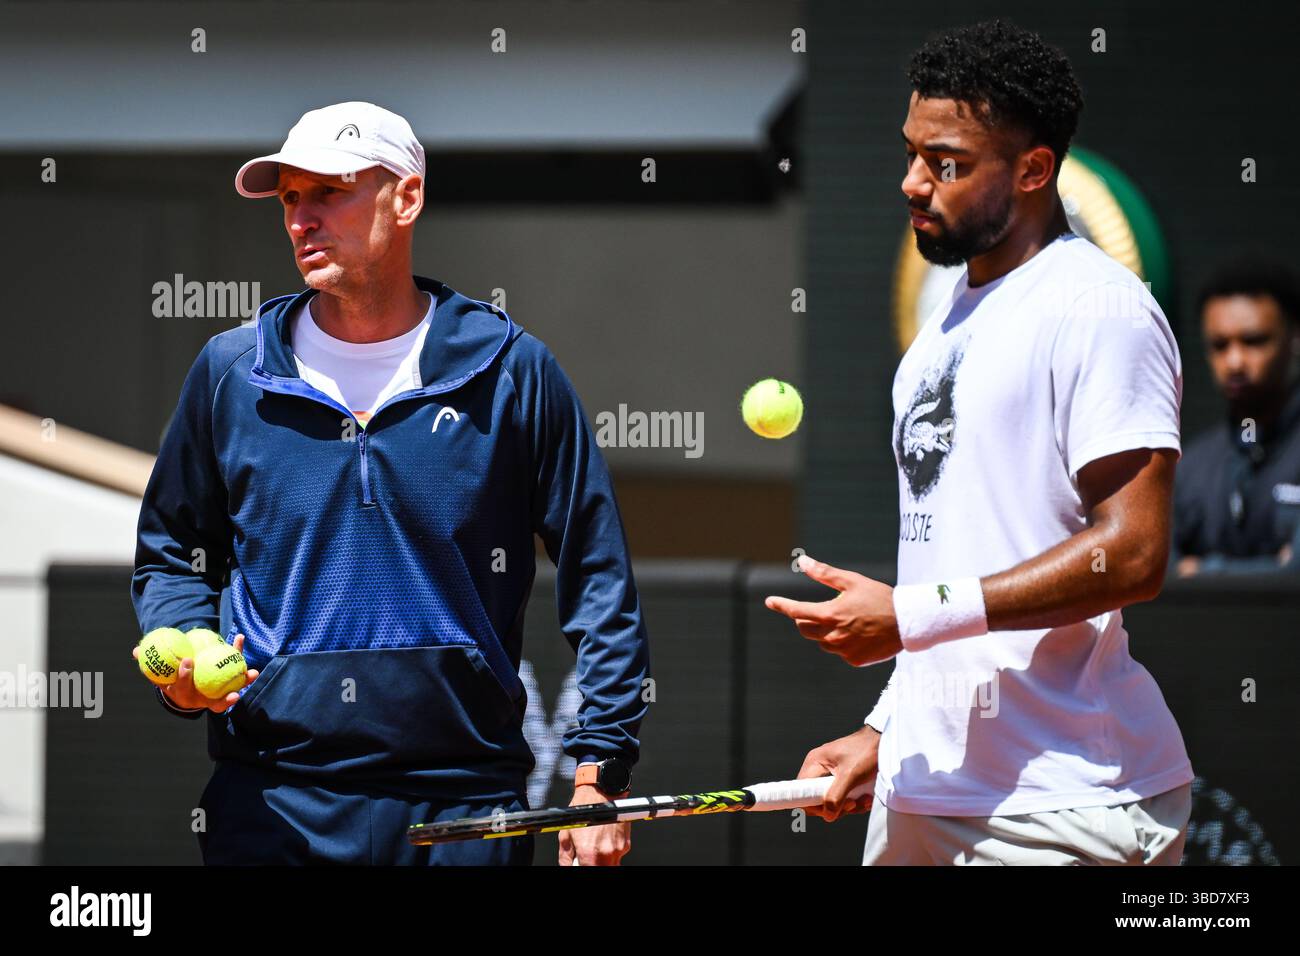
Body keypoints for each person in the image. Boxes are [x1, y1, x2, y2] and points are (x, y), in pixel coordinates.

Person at [131, 102, 649, 866]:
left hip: (469, 805)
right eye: (290, 199)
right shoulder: (229, 373)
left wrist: (597, 776)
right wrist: (179, 667)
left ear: (405, 198)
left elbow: (598, 576)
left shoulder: (513, 371)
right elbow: (172, 552)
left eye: (329, 192)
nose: (303, 219)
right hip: (272, 802)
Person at [765, 20, 1193, 865]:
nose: (912, 182)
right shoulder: (939, 328)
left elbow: (1135, 554)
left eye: (947, 163)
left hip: (1061, 807)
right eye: (912, 153)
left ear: (1035, 168)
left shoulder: (1101, 310)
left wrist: (907, 617)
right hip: (925, 786)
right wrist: (888, 726)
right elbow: (950, 561)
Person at [1173, 259, 1300, 575]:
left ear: (1294, 338)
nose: (1234, 361)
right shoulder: (1192, 466)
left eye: (1254, 341)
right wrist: (1273, 567)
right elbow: (1156, 571)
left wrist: (1200, 569)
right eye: (1219, 345)